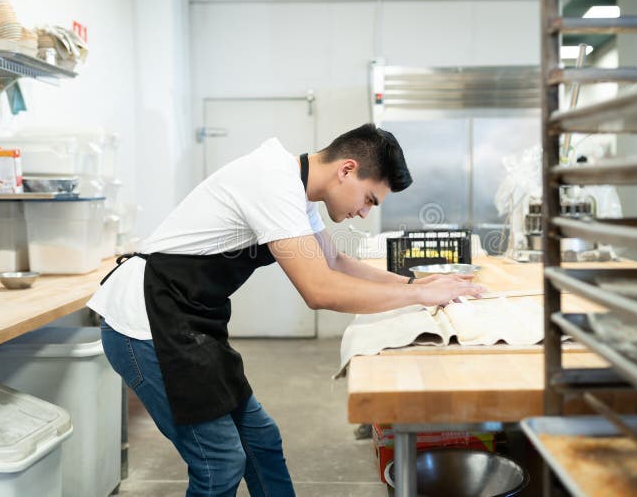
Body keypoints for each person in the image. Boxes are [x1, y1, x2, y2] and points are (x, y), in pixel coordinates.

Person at [88, 123, 484, 496]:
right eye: (369, 199)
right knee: (219, 463)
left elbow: (335, 262)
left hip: (189, 322)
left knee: (261, 441)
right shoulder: (273, 182)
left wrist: (416, 284)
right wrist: (419, 299)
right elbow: (319, 289)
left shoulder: (296, 188)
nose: (365, 212)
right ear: (347, 170)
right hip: (145, 324)